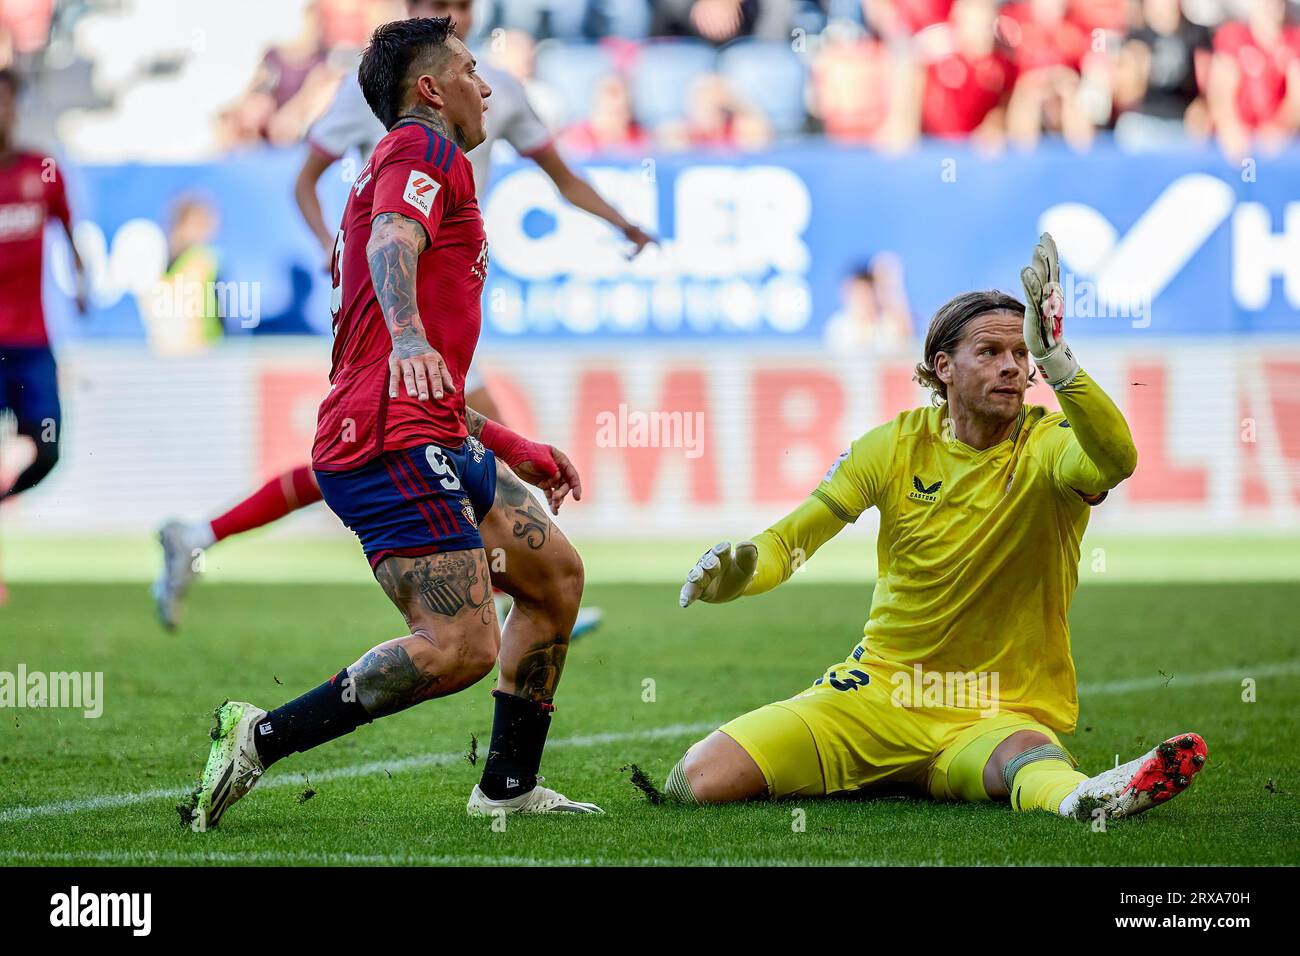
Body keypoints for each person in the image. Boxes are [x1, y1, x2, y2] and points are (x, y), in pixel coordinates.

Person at [183, 17, 600, 831]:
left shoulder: (408, 164)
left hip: (430, 431)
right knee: (460, 646)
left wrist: (515, 445)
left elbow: (424, 370)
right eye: (472, 71)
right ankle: (258, 736)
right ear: (430, 89)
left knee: (556, 582)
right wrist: (408, 329)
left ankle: (506, 789)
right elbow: (392, 242)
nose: (487, 87)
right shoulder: (423, 150)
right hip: (387, 444)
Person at [667, 233, 1208, 823]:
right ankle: (889, 769)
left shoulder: (1050, 445)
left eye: (1021, 354)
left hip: (997, 710)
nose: (1011, 366)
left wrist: (1059, 360)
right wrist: (741, 575)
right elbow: (790, 541)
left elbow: (1116, 460)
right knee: (697, 779)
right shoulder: (893, 445)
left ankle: (1086, 797)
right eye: (990, 352)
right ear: (943, 367)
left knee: (1028, 759)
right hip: (880, 694)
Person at [155, 0, 651, 633]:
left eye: (458, 6)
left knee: (375, 442)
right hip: (398, 293)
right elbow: (311, 183)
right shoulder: (388, 96)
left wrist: (622, 223)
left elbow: (560, 175)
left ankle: (202, 532)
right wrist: (337, 252)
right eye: (432, 6)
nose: (449, 15)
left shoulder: (493, 88)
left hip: (443, 279)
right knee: (420, 434)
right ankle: (514, 589)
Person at [0, 67, 86, 505]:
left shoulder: (42, 171)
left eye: (6, 101)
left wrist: (80, 279)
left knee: (47, 449)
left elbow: (69, 228)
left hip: (31, 343)